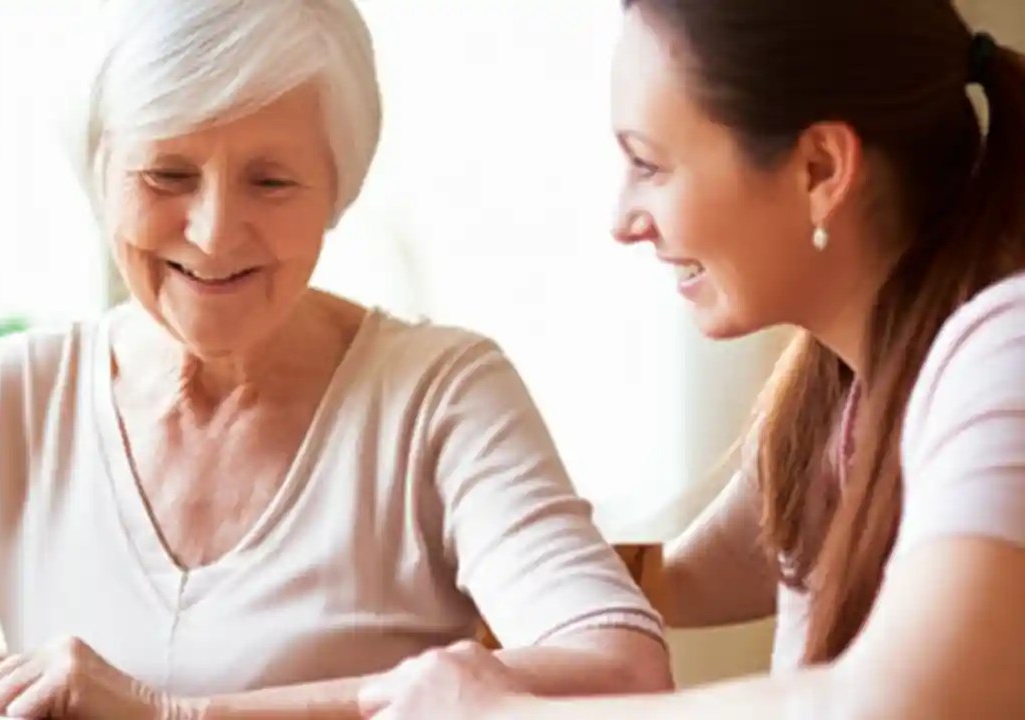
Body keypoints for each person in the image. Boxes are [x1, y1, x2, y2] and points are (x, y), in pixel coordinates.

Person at [0, 1, 672, 719]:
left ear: (337, 189)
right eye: (166, 174)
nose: (215, 231)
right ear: (99, 174)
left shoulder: (436, 397)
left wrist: (172, 713)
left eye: (271, 180)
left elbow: (619, 669)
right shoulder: (17, 406)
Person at [360, 0, 1025, 718]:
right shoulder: (843, 392)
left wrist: (501, 713)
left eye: (649, 164)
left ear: (819, 168)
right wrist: (486, 570)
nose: (623, 221)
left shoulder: (1006, 349)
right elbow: (708, 571)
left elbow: (896, 701)